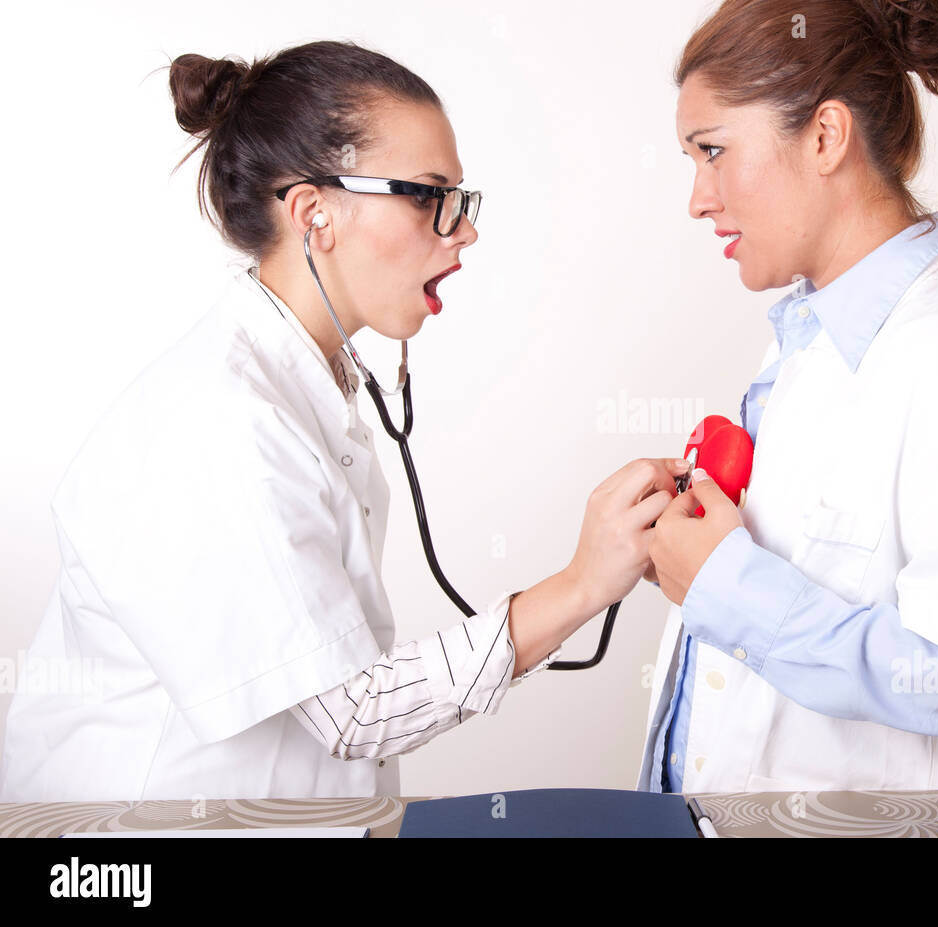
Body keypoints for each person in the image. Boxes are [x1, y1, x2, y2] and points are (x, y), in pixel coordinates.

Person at [0, 40, 688, 802]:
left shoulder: (302, 386)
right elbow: (357, 712)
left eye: (460, 198)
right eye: (430, 196)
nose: (464, 231)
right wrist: (584, 582)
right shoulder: (221, 424)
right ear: (313, 212)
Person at [641, 0, 938, 793]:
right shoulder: (801, 349)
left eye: (713, 152)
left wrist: (727, 584)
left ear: (826, 136)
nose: (698, 198)